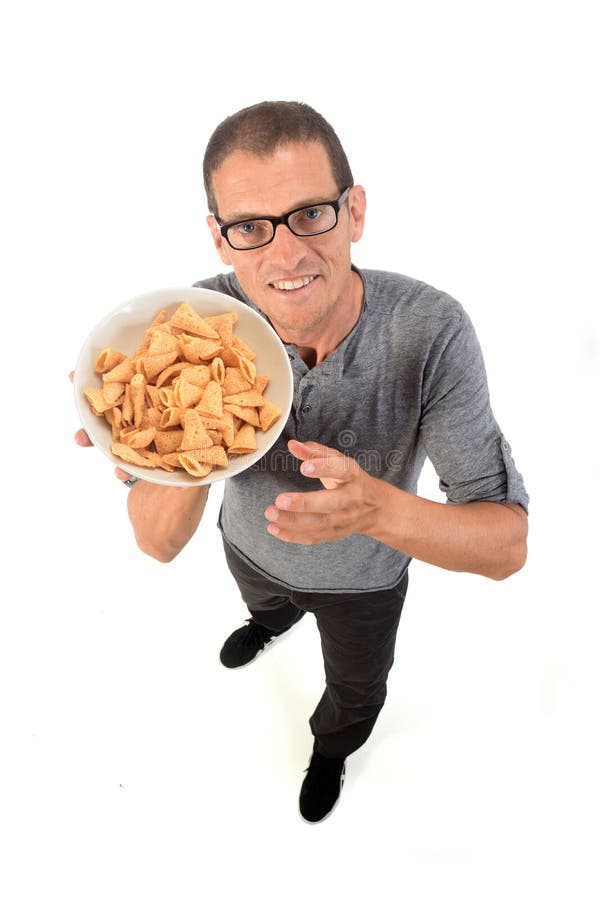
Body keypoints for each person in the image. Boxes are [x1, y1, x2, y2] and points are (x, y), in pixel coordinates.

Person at [74, 100, 529, 823]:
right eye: (251, 228)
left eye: (311, 214)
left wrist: (374, 508)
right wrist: (160, 446)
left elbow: (507, 547)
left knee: (355, 688)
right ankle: (268, 623)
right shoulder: (194, 328)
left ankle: (334, 749)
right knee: (263, 601)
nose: (285, 256)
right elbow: (158, 544)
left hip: (366, 588)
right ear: (220, 239)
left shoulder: (432, 332)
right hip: (248, 551)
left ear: (355, 211)